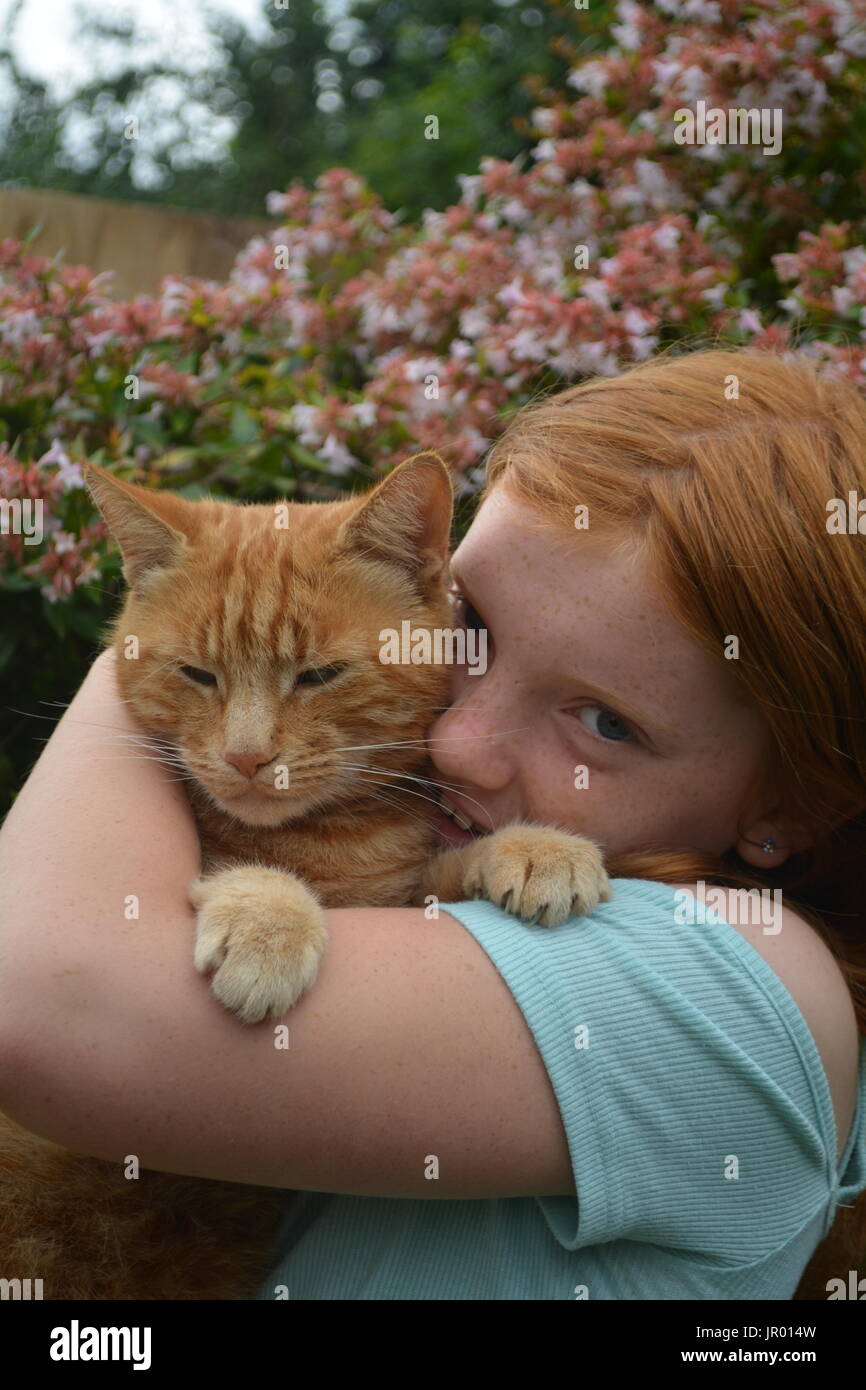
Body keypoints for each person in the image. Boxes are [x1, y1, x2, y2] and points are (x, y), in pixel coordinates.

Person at [0, 346, 863, 1301]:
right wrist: (198, 595)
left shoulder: (731, 985)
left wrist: (177, 612)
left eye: (606, 722)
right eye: (472, 631)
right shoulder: (432, 855)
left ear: (792, 806)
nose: (457, 741)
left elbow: (48, 1006)